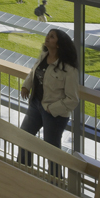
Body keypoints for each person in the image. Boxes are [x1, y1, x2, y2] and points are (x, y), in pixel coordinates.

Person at [19, 28, 79, 164]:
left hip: (54, 114)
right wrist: (26, 86)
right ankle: (22, 172)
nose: (47, 38)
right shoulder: (43, 56)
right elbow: (34, 71)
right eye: (48, 35)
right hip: (36, 104)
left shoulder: (69, 69)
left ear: (58, 44)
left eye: (52, 37)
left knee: (51, 151)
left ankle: (55, 182)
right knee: (24, 137)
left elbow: (73, 100)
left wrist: (52, 109)